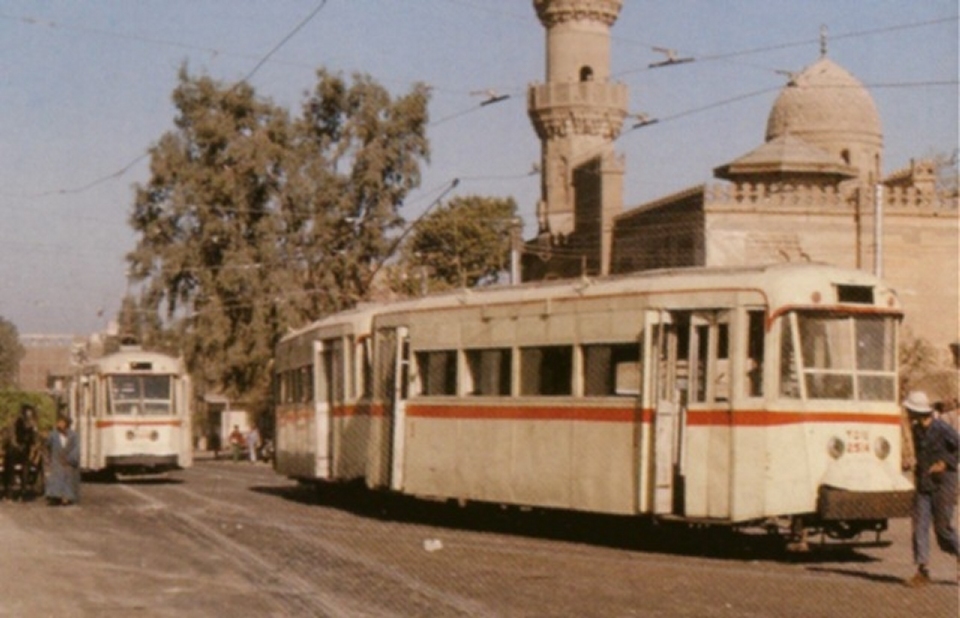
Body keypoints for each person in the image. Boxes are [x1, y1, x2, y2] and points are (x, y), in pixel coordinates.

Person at [902, 390, 959, 587]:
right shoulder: (917, 429)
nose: (907, 413)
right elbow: (920, 453)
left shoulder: (942, 428)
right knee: (919, 526)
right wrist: (910, 463)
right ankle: (922, 570)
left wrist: (945, 462)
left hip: (944, 483)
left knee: (943, 530)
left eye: (909, 410)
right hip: (924, 483)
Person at [3, 404, 39, 501]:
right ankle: (9, 487)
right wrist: (16, 446)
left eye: (30, 414)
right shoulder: (16, 422)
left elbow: (34, 440)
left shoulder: (32, 425)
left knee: (26, 465)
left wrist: (33, 445)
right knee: (10, 460)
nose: (29, 416)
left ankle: (23, 489)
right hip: (15, 449)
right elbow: (12, 436)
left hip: (25, 450)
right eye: (27, 414)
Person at [46, 413, 80, 506]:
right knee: (55, 477)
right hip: (56, 460)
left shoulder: (74, 436)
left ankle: (67, 497)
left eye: (62, 422)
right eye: (58, 422)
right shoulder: (53, 434)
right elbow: (47, 445)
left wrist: (69, 459)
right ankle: (55, 496)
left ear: (66, 424)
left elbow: (76, 449)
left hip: (68, 461)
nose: (59, 424)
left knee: (68, 478)